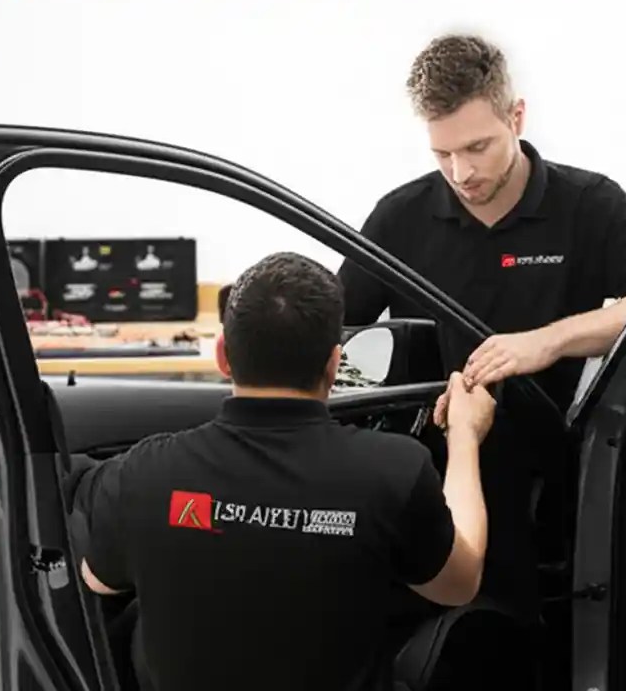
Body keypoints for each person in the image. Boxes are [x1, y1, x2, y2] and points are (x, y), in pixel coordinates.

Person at [337, 33, 626, 622]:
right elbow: (335, 332)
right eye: (442, 153)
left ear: (516, 116)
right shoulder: (400, 216)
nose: (460, 172)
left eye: (477, 146)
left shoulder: (589, 204)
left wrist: (547, 341)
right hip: (447, 479)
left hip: (568, 472)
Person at [68, 251, 498, 691]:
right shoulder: (393, 471)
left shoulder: (145, 473)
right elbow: (458, 585)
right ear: (334, 363)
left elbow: (96, 582)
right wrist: (464, 436)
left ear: (223, 355)